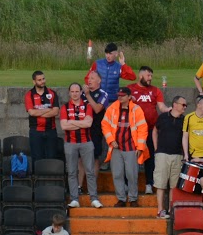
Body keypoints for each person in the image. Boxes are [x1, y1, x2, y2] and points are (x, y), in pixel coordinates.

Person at [100, 93, 149, 208]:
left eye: (123, 95)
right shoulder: (112, 108)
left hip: (131, 147)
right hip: (116, 147)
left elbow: (143, 128)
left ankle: (133, 198)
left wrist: (140, 147)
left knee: (132, 174)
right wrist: (111, 140)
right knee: (117, 174)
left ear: (129, 97)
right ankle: (121, 199)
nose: (120, 97)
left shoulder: (136, 109)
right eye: (119, 95)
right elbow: (105, 125)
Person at [86, 43, 132, 160]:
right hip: (98, 100)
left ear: (116, 54)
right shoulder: (98, 63)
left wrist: (123, 64)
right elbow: (88, 78)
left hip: (112, 102)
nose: (108, 56)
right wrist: (92, 90)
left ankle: (108, 159)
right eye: (106, 53)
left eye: (110, 54)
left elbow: (131, 76)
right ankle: (99, 157)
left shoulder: (118, 66)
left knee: (111, 130)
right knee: (98, 128)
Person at [60, 81, 102, 209]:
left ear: (81, 92)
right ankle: (74, 199)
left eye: (77, 91)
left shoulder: (87, 106)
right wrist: (80, 123)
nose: (74, 94)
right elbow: (64, 126)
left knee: (90, 171)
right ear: (69, 93)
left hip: (86, 142)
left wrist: (71, 122)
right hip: (70, 143)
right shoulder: (65, 107)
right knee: (72, 172)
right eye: (72, 92)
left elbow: (88, 124)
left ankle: (94, 198)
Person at [127, 66, 168, 194]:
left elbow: (161, 107)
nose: (150, 78)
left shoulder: (155, 90)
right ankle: (129, 185)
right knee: (131, 158)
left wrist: (170, 110)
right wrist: (129, 100)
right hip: (134, 131)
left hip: (151, 130)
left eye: (151, 76)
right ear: (141, 76)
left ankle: (149, 184)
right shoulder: (130, 89)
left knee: (150, 157)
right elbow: (121, 104)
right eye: (148, 76)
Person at [151, 96, 188, 220]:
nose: (185, 107)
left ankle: (171, 210)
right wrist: (156, 149)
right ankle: (160, 209)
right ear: (175, 104)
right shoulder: (163, 117)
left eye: (185, 105)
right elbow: (154, 131)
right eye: (183, 105)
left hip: (177, 155)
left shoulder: (184, 120)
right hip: (162, 154)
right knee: (160, 183)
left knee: (174, 185)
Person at [24, 70, 61, 162]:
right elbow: (32, 113)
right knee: (37, 158)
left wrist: (38, 113)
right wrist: (48, 110)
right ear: (34, 81)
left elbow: (55, 112)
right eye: (39, 80)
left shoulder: (52, 93)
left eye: (43, 79)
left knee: (52, 157)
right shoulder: (29, 95)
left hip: (51, 130)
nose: (42, 81)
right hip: (35, 132)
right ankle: (37, 172)